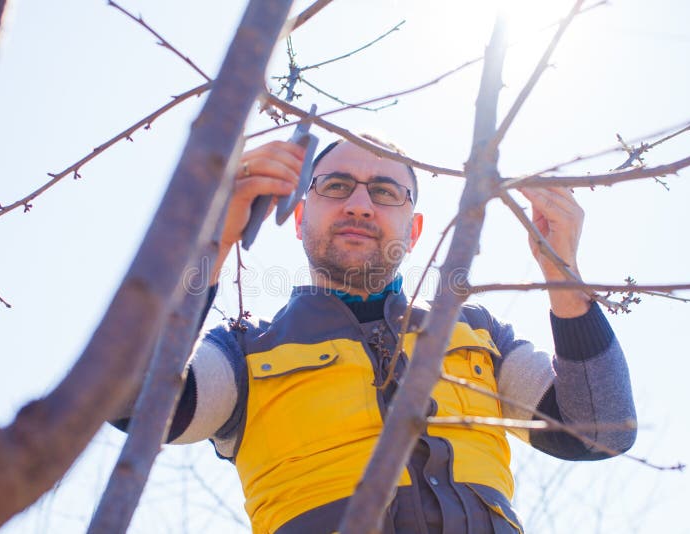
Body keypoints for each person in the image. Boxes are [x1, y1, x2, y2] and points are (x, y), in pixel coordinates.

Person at [124, 136, 637, 534]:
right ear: (300, 216)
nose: (360, 205)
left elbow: (600, 430)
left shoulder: (476, 331)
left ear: (414, 232)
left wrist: (562, 275)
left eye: (385, 192)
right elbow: (134, 400)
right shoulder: (243, 350)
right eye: (336, 186)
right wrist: (212, 241)